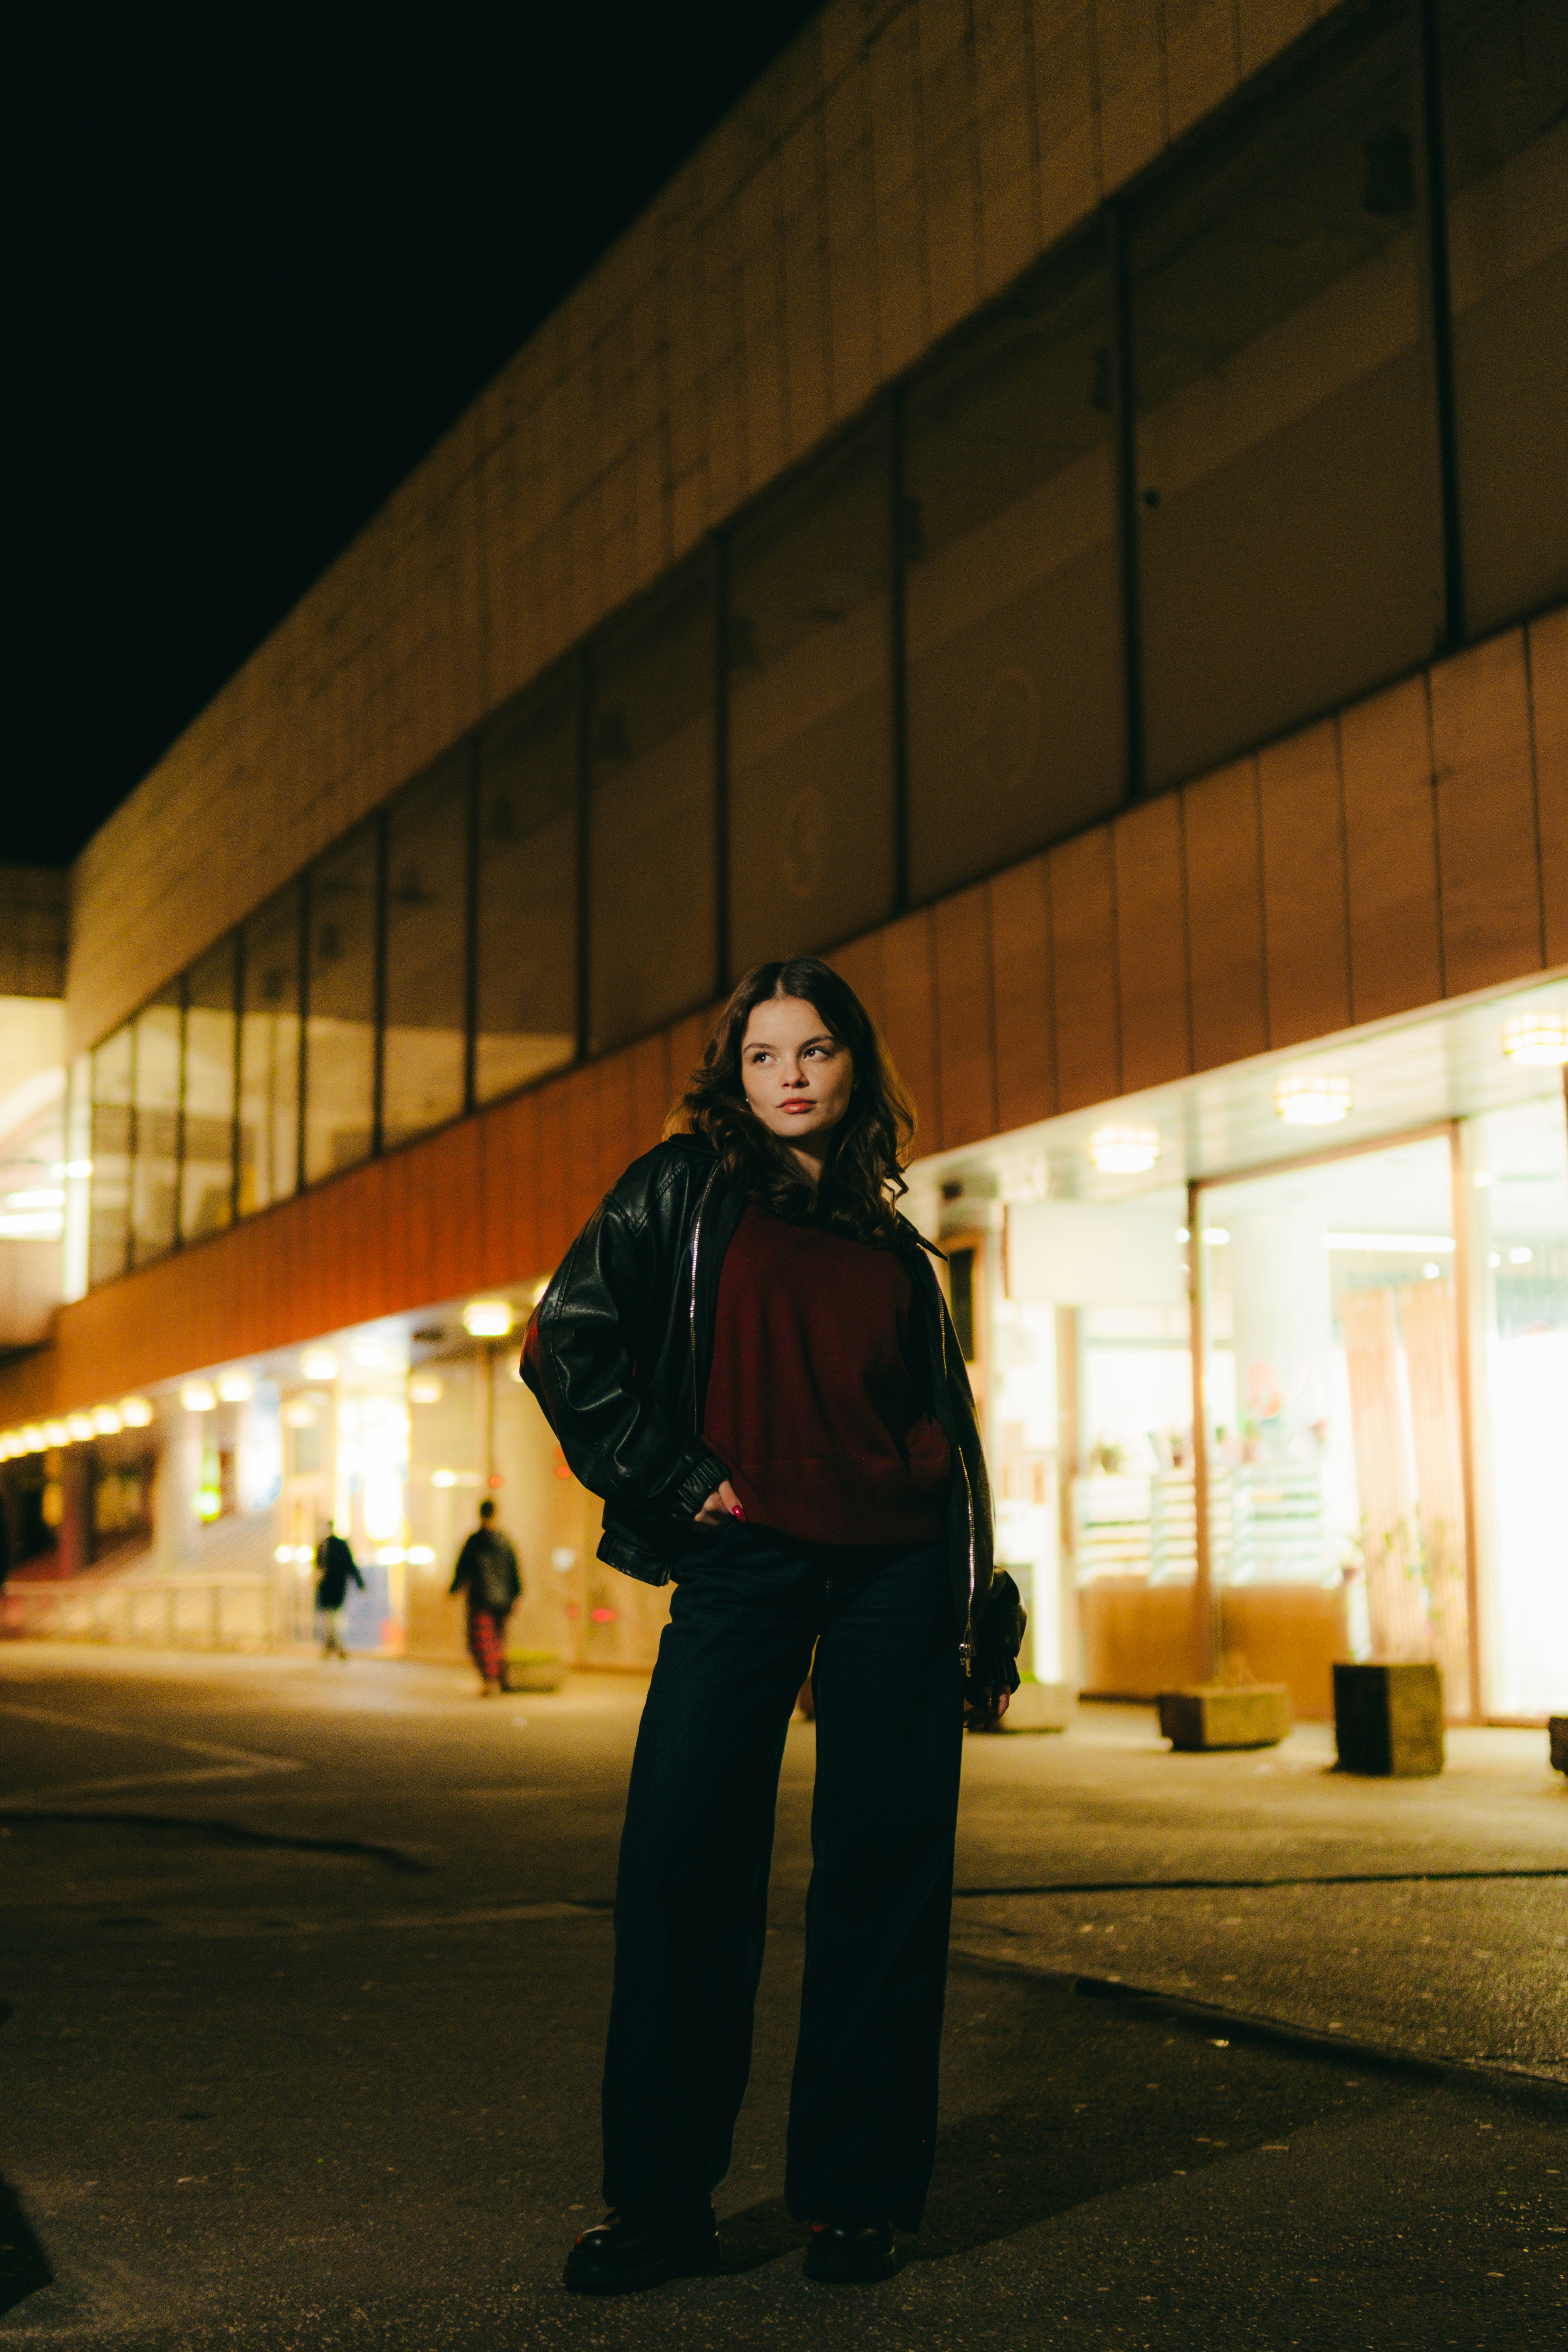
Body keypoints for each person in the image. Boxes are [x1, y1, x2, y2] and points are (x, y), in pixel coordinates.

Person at [523, 955, 1023, 2296]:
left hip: (896, 1572)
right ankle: (660, 2204)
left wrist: (976, 1600)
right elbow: (564, 1342)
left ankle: (855, 2200)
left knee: (883, 1875)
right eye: (763, 1055)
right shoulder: (681, 1190)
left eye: (813, 1050)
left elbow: (943, 1428)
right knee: (684, 1864)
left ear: (854, 1064)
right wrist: (671, 1472)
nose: (789, 1074)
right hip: (741, 1558)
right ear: (733, 1076)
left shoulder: (891, 1240)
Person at [450, 1496, 522, 1696]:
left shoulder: (474, 1541)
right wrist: (516, 1596)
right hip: (503, 1601)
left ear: (480, 1514)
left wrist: (454, 1589)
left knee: (481, 1642)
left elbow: (462, 1568)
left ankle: (491, 1679)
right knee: (497, 1641)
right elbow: (514, 1571)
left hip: (481, 1599)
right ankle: (498, 1678)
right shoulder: (505, 1541)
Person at [313, 1520, 363, 1659]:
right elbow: (350, 1565)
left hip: (327, 1588)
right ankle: (337, 1648)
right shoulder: (339, 1545)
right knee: (334, 1618)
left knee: (330, 1618)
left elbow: (318, 1568)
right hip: (337, 1587)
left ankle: (333, 1647)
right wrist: (360, 1583)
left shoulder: (323, 1546)